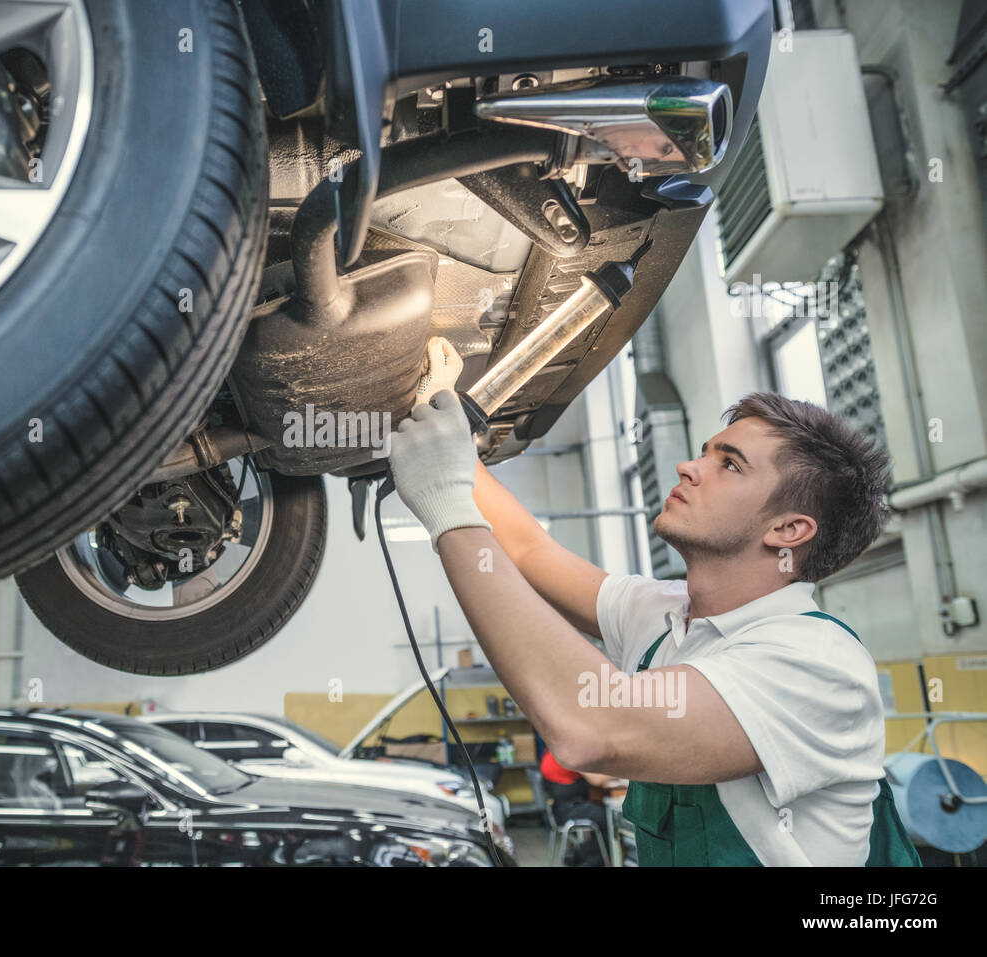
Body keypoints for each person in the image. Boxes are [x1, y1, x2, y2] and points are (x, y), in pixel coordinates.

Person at [386, 339, 920, 866]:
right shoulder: (662, 616)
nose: (689, 466)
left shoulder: (814, 661)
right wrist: (444, 429)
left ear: (789, 529)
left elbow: (590, 726)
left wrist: (447, 505)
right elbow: (528, 548)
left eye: (729, 465)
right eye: (707, 451)